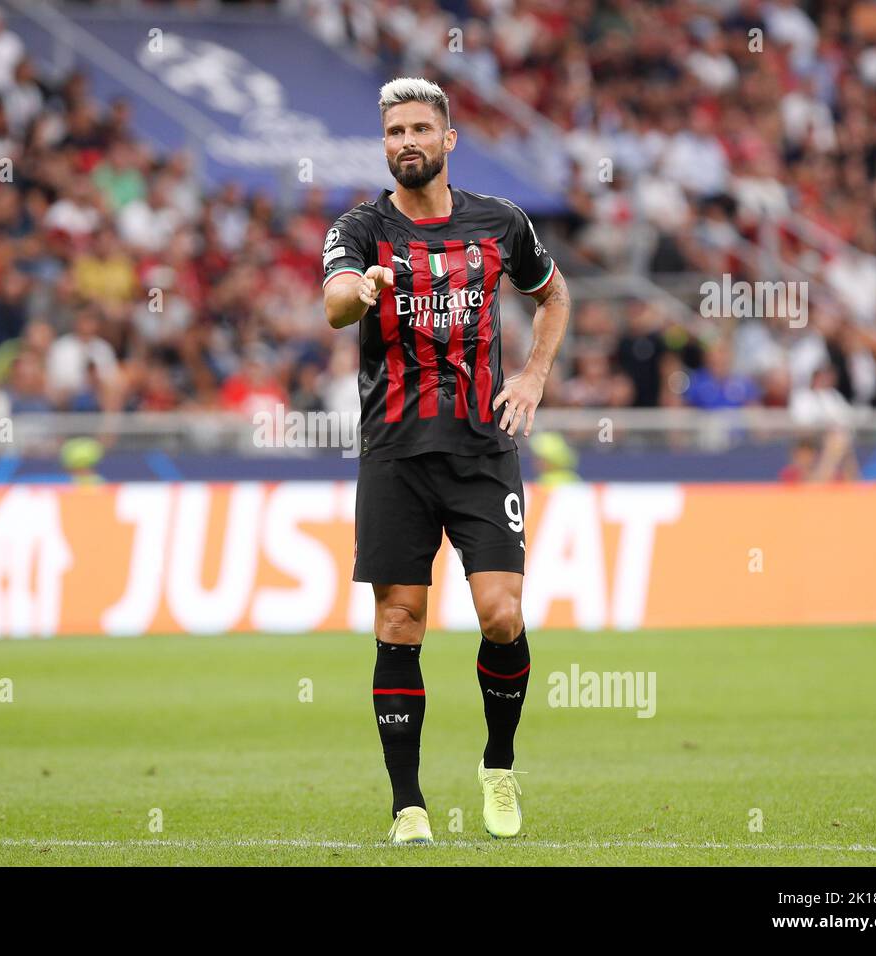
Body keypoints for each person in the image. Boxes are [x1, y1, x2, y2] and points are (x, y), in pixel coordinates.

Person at [321, 77, 571, 844]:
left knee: (502, 614)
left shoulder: (500, 223)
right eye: (395, 132)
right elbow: (333, 303)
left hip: (480, 447)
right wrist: (361, 291)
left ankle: (498, 765)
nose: (406, 143)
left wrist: (531, 378)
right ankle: (409, 807)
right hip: (395, 452)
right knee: (400, 622)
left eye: (420, 129)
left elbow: (554, 294)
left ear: (448, 140)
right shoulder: (361, 229)